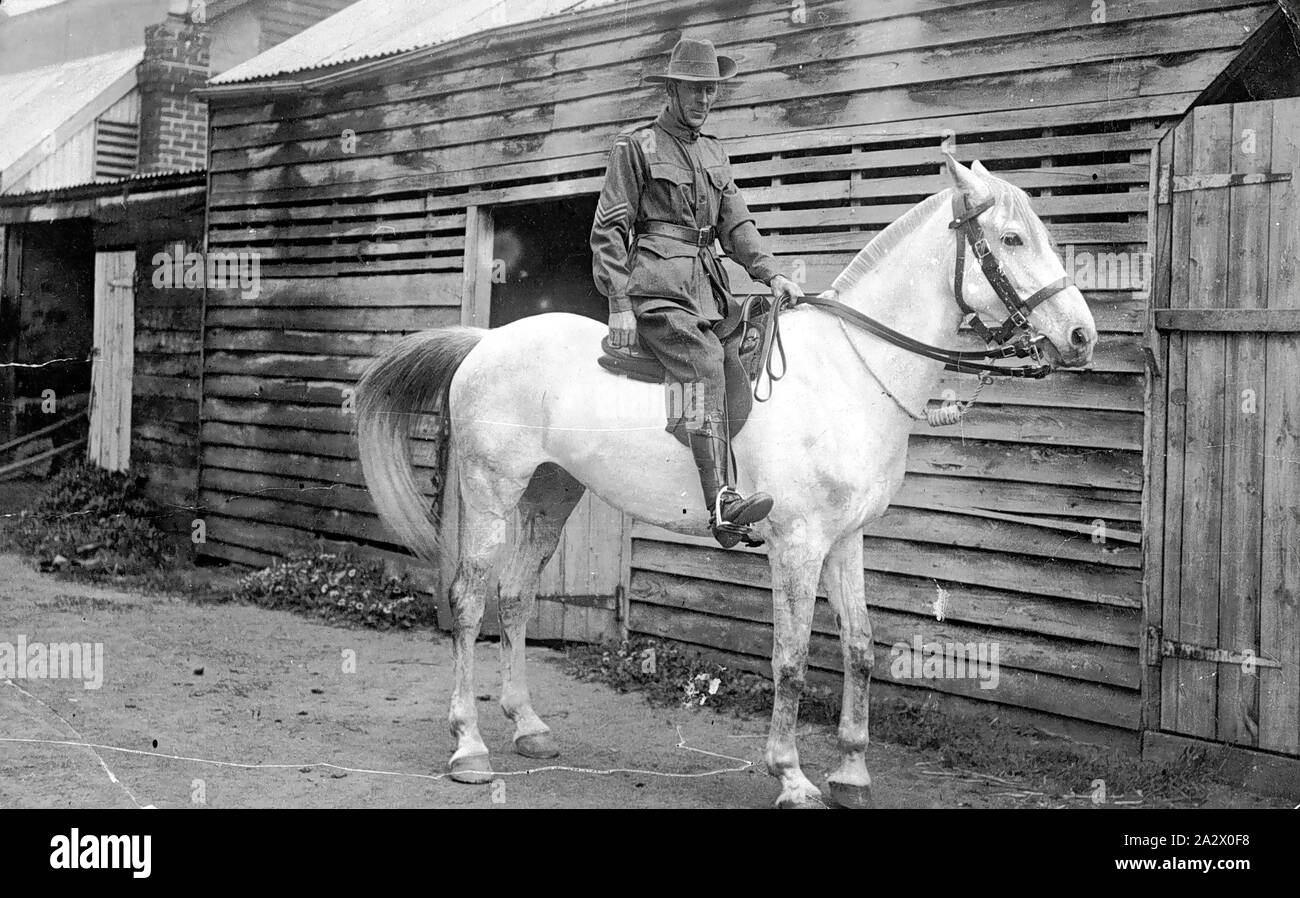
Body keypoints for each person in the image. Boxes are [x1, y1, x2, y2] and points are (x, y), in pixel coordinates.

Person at [590, 37, 804, 547]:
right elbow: (608, 229)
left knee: (735, 374)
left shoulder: (714, 153)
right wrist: (619, 301)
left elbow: (737, 225)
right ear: (672, 89)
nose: (704, 99)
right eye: (694, 89)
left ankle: (691, 460)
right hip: (657, 289)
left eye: (710, 90)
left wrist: (771, 273)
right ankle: (722, 505)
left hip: (707, 291)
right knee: (704, 361)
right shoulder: (636, 147)